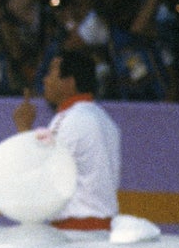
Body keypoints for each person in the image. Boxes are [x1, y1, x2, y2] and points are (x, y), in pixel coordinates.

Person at [12, 49, 120, 230]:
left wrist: (23, 129)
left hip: (76, 228)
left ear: (69, 83)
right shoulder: (104, 119)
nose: (45, 80)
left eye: (51, 73)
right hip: (103, 224)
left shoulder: (70, 119)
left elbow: (43, 174)